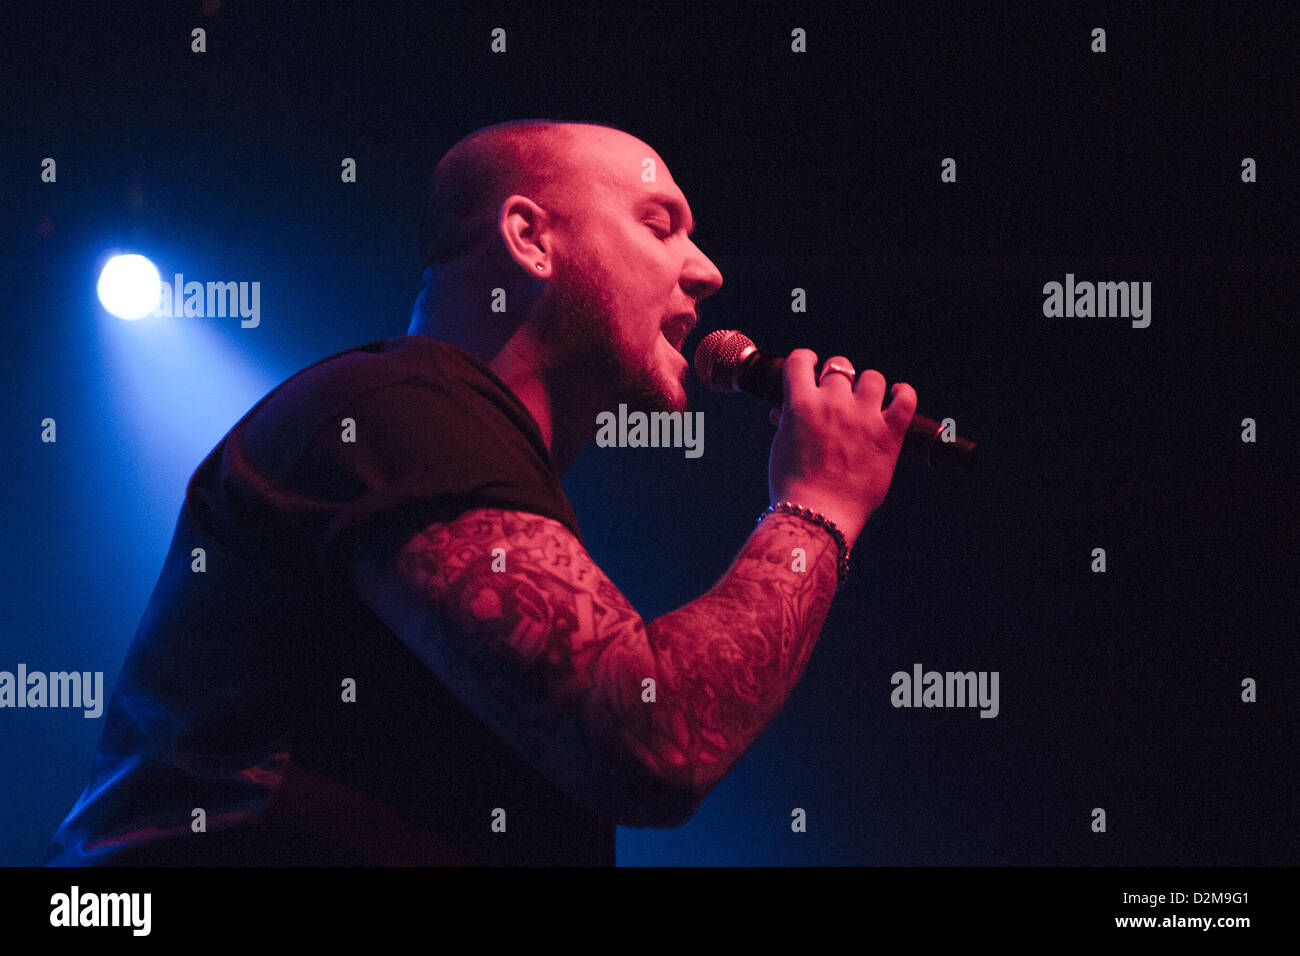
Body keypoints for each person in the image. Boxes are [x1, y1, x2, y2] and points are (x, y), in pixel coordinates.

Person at [45, 119, 917, 866]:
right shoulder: (394, 409)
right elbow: (648, 738)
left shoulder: (460, 445)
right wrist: (817, 505)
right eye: (661, 227)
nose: (707, 270)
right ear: (530, 239)